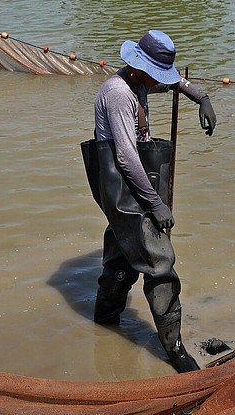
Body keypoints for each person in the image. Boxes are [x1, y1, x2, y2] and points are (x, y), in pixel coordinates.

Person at [83, 30, 217, 374]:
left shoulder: (140, 83)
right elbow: (126, 157)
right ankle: (174, 349)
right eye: (156, 73)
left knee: (121, 255)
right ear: (139, 67)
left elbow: (171, 85)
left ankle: (105, 326)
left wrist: (199, 96)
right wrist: (155, 203)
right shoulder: (118, 93)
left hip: (132, 183)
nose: (159, 80)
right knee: (159, 261)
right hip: (122, 185)